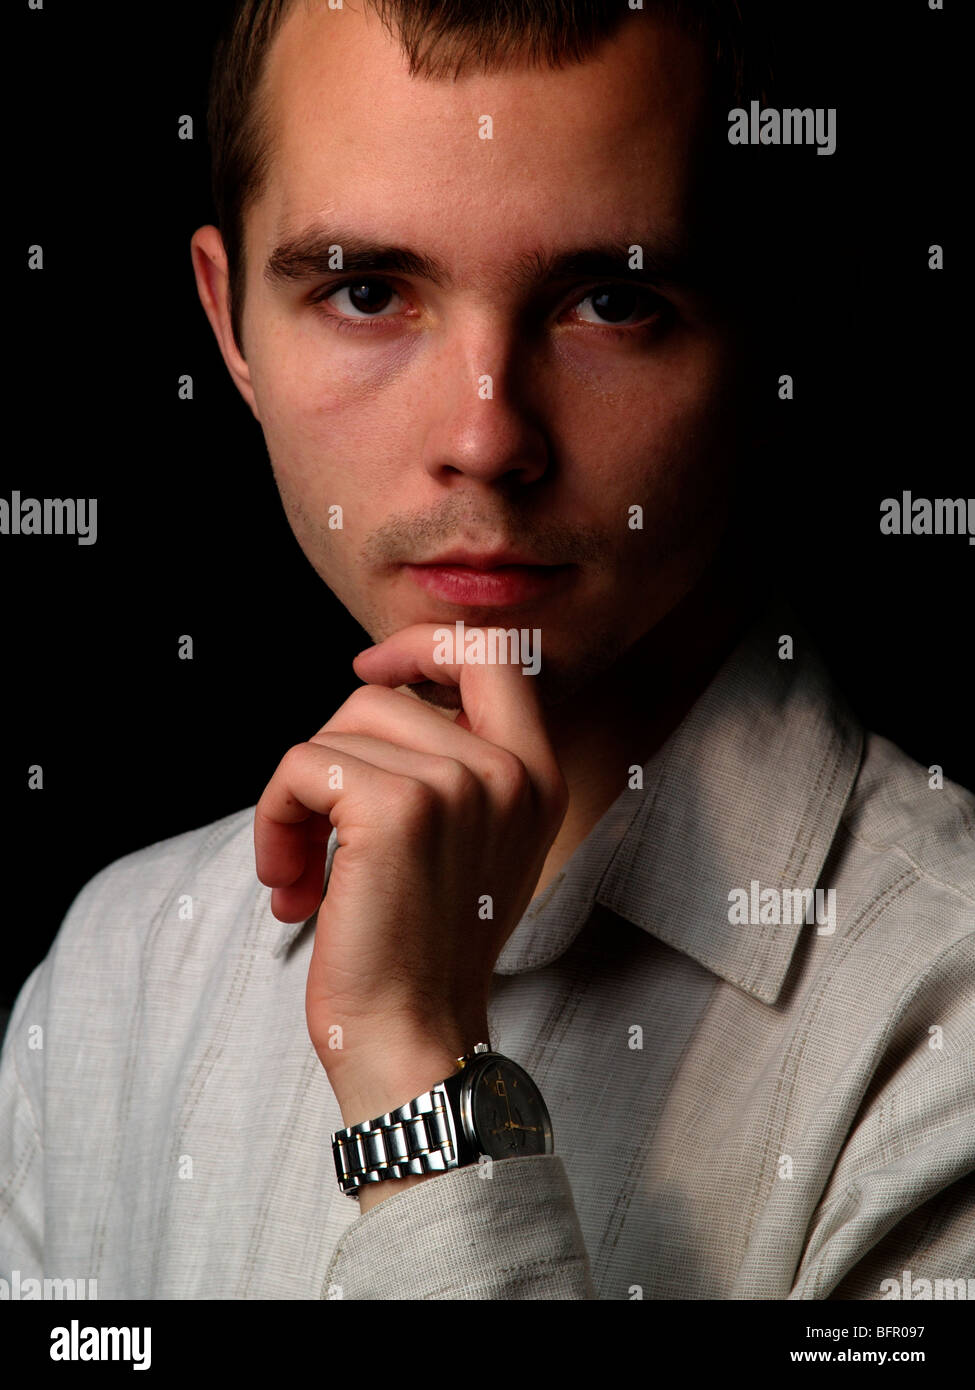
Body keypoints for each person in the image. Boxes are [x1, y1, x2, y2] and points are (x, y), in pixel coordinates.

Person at [1, 0, 972, 1301]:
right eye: (364, 291)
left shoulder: (944, 1017)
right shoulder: (117, 972)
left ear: (766, 313)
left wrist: (421, 1085)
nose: (485, 436)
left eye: (612, 301)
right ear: (229, 323)